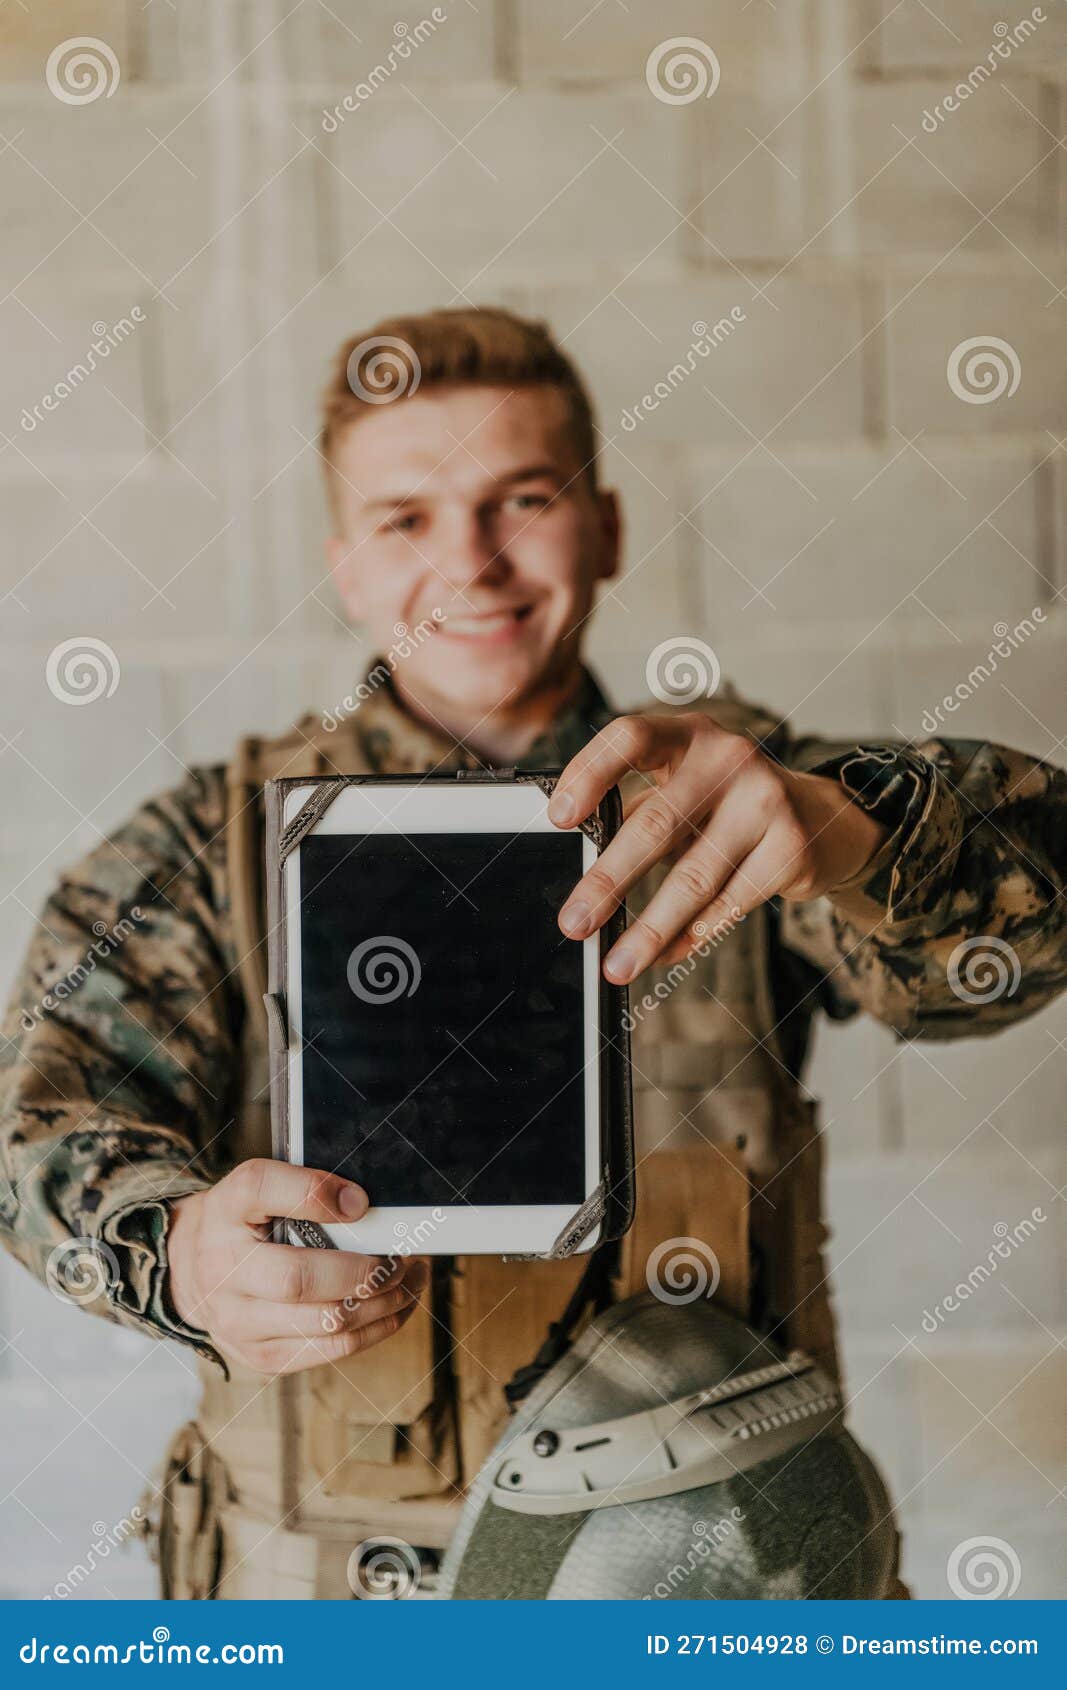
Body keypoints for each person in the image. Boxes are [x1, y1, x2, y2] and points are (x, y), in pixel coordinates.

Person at [1, 307, 1063, 1600]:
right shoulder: (208, 851)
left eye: (523, 499)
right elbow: (41, 1132)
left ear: (608, 528)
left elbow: (1023, 930)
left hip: (707, 1607)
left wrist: (859, 828)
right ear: (346, 567)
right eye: (407, 518)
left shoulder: (744, 804)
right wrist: (174, 1249)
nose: (473, 562)